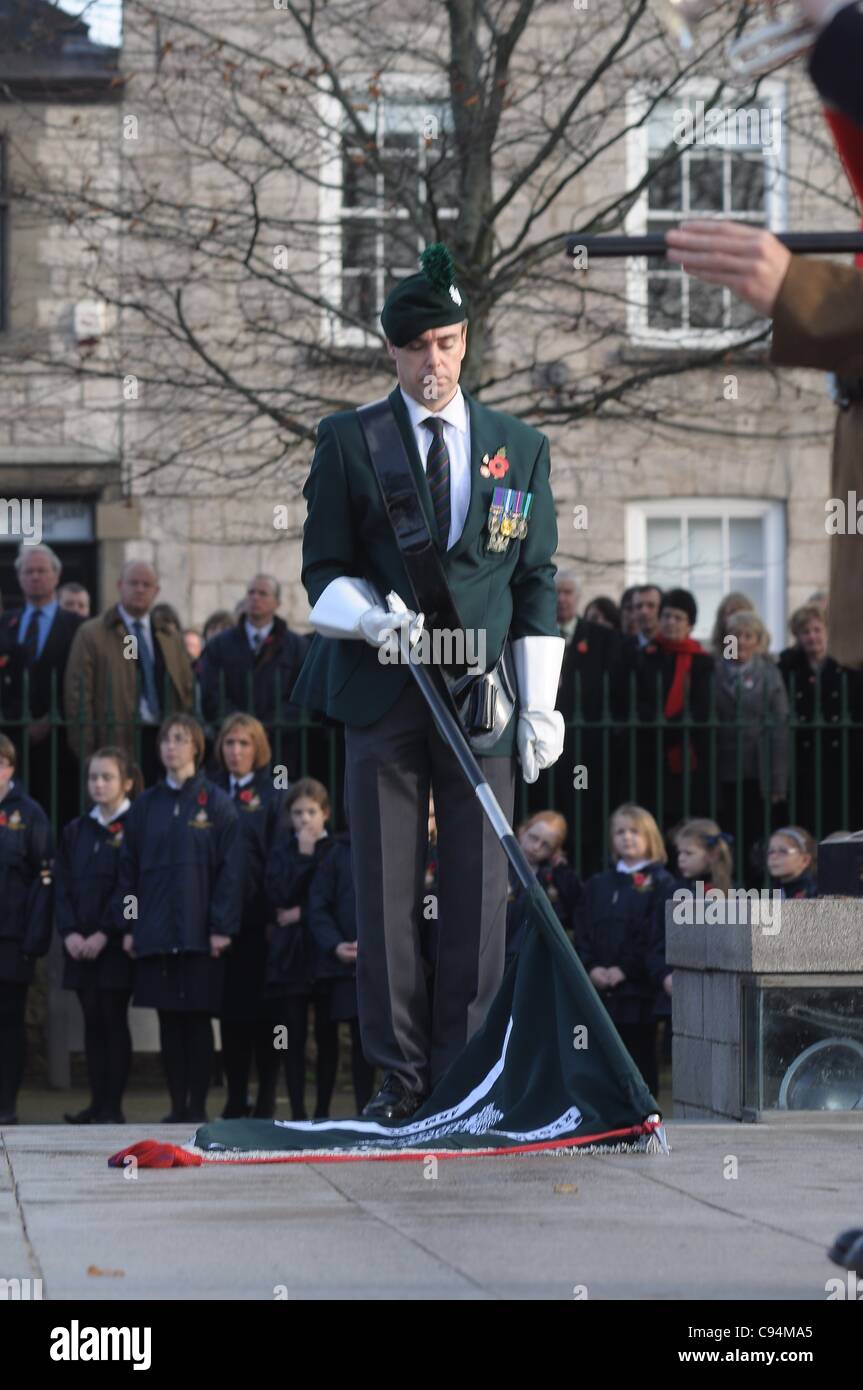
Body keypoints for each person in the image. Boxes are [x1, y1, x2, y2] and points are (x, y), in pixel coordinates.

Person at [292, 242, 564, 1119]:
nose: (435, 361)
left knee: (482, 902)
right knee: (385, 893)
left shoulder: (518, 449)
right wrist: (367, 617)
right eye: (419, 347)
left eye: (449, 342)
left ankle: (467, 1077)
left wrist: (542, 704)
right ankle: (399, 1080)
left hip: (478, 696)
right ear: (393, 351)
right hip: (383, 688)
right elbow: (321, 570)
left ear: (465, 342)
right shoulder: (349, 440)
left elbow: (532, 584)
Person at [116, 713, 241, 1123]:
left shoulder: (217, 804)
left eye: (181, 739)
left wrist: (221, 926)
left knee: (198, 1020)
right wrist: (130, 925)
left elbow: (230, 872)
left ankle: (197, 1107)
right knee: (169, 1020)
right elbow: (128, 870)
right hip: (154, 933)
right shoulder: (144, 808)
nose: (171, 746)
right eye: (166, 739)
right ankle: (175, 1105)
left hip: (200, 934)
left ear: (196, 748)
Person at [54, 746, 141, 1124]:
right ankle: (96, 1103)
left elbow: (132, 889)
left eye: (107, 777)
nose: (99, 784)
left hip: (112, 945)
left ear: (127, 783)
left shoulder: (134, 829)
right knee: (90, 1019)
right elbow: (62, 885)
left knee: (112, 1018)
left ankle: (113, 1106)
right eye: (93, 777)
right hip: (79, 944)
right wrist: (70, 932)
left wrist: (109, 931)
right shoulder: (76, 830)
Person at [210, 713, 284, 1119]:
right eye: (229, 743)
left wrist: (274, 914)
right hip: (223, 922)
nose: (235, 751)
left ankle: (268, 1096)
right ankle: (236, 1095)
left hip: (260, 921)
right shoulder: (211, 791)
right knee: (232, 1015)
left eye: (243, 744)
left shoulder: (272, 791)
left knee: (266, 1016)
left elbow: (278, 854)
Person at [574, 804, 674, 1097]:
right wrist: (590, 966)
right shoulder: (598, 884)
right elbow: (583, 930)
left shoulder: (662, 884)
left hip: (637, 993)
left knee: (639, 1060)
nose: (627, 838)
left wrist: (626, 969)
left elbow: (654, 935)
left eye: (635, 832)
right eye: (620, 832)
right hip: (599, 990)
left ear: (650, 838)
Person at [65, 561, 195, 786]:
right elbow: (78, 695)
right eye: (133, 583)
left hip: (162, 740)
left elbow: (186, 690)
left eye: (146, 584)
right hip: (115, 739)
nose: (140, 589)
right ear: (119, 585)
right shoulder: (92, 634)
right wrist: (89, 751)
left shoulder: (169, 635)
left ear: (157, 591)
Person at [262, 779, 336, 1120]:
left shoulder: (336, 849)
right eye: (297, 813)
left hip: (324, 958)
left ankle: (322, 1110)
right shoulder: (282, 851)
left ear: (325, 814)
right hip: (290, 958)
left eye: (311, 812)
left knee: (326, 1035)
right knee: (290, 1038)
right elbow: (277, 897)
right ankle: (297, 1111)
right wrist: (303, 858)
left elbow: (332, 901)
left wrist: (302, 914)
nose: (304, 820)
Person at [0, 544, 83, 824]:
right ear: (19, 577)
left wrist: (52, 716)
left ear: (56, 576)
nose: (35, 576)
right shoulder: (5, 622)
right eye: (28, 571)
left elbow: (81, 678)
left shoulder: (77, 625)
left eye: (41, 571)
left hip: (58, 739)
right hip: (10, 737)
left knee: (57, 810)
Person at [198, 574, 310, 777]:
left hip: (281, 747)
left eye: (262, 593)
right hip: (232, 747)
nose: (255, 598)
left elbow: (303, 696)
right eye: (251, 592)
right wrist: (241, 727)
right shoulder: (219, 646)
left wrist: (264, 728)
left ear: (277, 603)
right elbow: (211, 693)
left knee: (279, 797)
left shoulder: (296, 647)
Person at [549, 571, 623, 875]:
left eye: (568, 592)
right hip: (548, 743)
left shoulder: (602, 637)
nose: (562, 598)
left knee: (587, 816)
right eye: (556, 592)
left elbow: (614, 689)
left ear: (578, 598)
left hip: (588, 745)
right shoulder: (532, 631)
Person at [307, 809, 376, 1115]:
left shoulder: (394, 848)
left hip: (375, 965)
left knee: (366, 1044)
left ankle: (366, 1108)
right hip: (335, 967)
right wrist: (335, 945)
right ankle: (321, 1112)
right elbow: (318, 905)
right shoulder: (336, 854)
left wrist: (376, 945)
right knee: (328, 1043)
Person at [649, 818, 734, 1065]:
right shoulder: (671, 892)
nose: (681, 859)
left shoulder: (730, 893)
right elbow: (656, 940)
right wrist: (664, 974)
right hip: (676, 990)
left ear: (712, 854)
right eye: (679, 853)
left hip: (716, 993)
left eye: (689, 852)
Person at [0, 733, 54, 1124]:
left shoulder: (29, 814)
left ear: (10, 767)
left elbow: (44, 880)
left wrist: (33, 940)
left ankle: (6, 1106)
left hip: (11, 937)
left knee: (9, 1022)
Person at [714, 610, 789, 886]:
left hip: (760, 770)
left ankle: (756, 889)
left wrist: (778, 781)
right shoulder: (715, 670)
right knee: (728, 832)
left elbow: (780, 727)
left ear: (758, 641)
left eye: (748, 636)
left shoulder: (769, 673)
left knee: (757, 833)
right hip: (724, 769)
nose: (741, 641)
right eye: (735, 636)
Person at [631, 588, 714, 835]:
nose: (670, 623)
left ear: (690, 624)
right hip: (650, 756)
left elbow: (701, 707)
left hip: (688, 756)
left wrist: (668, 727)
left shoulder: (702, 661)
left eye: (678, 618)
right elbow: (636, 699)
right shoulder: (645, 656)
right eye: (666, 616)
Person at [778, 605, 863, 837]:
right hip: (802, 763)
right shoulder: (787, 671)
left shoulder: (847, 672)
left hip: (839, 763)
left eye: (817, 630)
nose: (812, 636)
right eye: (805, 632)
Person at [505, 811, 582, 969]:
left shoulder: (552, 879)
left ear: (555, 852)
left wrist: (561, 871)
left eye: (546, 845)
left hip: (530, 961)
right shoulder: (499, 864)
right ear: (522, 831)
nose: (536, 847)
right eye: (533, 837)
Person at [767, 826, 818, 900]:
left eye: (783, 851)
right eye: (771, 851)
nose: (774, 856)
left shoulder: (815, 894)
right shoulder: (773, 893)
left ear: (805, 860)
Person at [710, 592, 756, 658]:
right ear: (722, 617)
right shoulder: (710, 656)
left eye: (742, 613)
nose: (737, 618)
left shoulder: (762, 658)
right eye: (732, 612)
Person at [631, 585, 663, 649]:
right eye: (639, 606)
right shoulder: (620, 650)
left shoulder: (675, 648)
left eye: (651, 605)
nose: (644, 611)